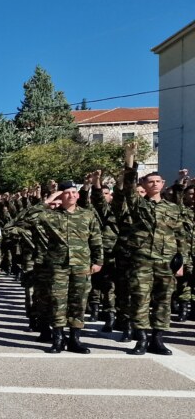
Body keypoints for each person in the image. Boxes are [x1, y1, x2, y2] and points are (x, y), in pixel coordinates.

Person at [114, 140, 189, 355]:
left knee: (164, 300)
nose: (154, 184)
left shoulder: (173, 208)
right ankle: (142, 339)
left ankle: (158, 339)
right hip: (143, 260)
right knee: (140, 299)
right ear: (145, 185)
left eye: (158, 181)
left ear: (163, 184)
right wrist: (130, 161)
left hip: (166, 261)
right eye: (150, 181)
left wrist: (181, 260)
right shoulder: (139, 204)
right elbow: (128, 188)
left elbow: (180, 235)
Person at [21, 182, 103, 354]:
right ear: (61, 196)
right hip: (58, 266)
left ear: (78, 196)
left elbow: (96, 240)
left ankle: (75, 339)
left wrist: (98, 261)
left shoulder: (88, 215)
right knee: (58, 302)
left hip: (81, 265)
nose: (71, 195)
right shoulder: (50, 216)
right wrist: (49, 198)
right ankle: (58, 338)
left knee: (78, 302)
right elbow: (27, 218)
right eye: (66, 193)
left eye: (74, 192)